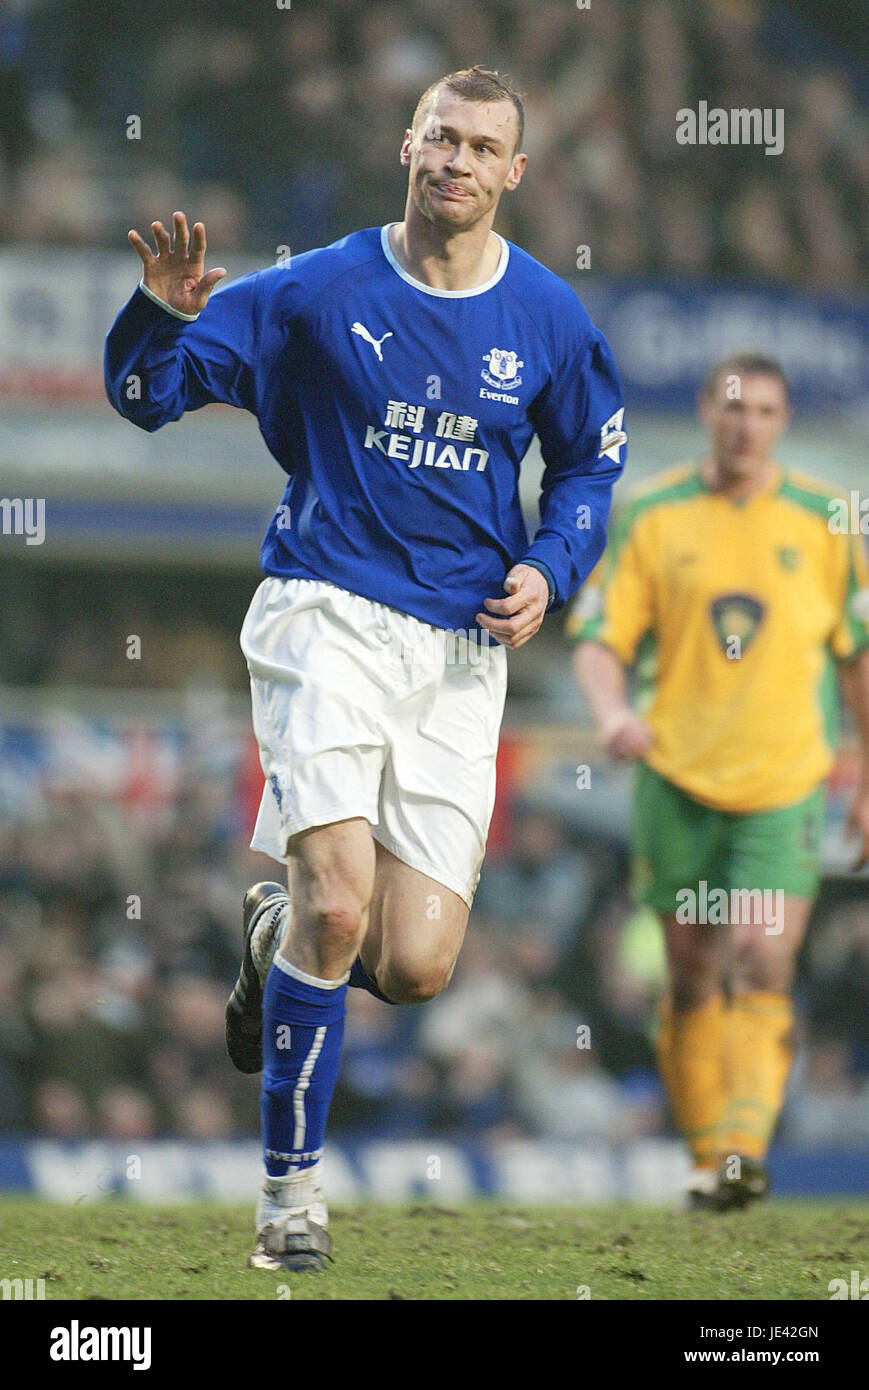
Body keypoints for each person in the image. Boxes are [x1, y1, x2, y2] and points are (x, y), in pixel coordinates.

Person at [104, 66, 626, 1269]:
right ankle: (290, 1195)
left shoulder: (547, 318)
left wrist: (551, 566)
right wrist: (162, 317)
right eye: (438, 135)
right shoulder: (317, 287)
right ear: (405, 142)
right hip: (323, 611)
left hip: (457, 653)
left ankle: (273, 927)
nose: (453, 159)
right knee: (342, 907)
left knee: (415, 963)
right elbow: (144, 398)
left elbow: (589, 469)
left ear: (513, 173)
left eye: (479, 145)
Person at [570, 352, 869, 1209]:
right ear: (707, 410)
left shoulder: (825, 518)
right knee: (692, 973)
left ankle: (742, 1150)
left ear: (782, 421)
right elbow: (598, 634)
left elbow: (855, 658)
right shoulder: (653, 512)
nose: (747, 426)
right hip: (676, 778)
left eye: (766, 412)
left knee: (762, 957)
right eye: (734, 408)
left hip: (784, 785)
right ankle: (709, 1160)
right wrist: (610, 714)